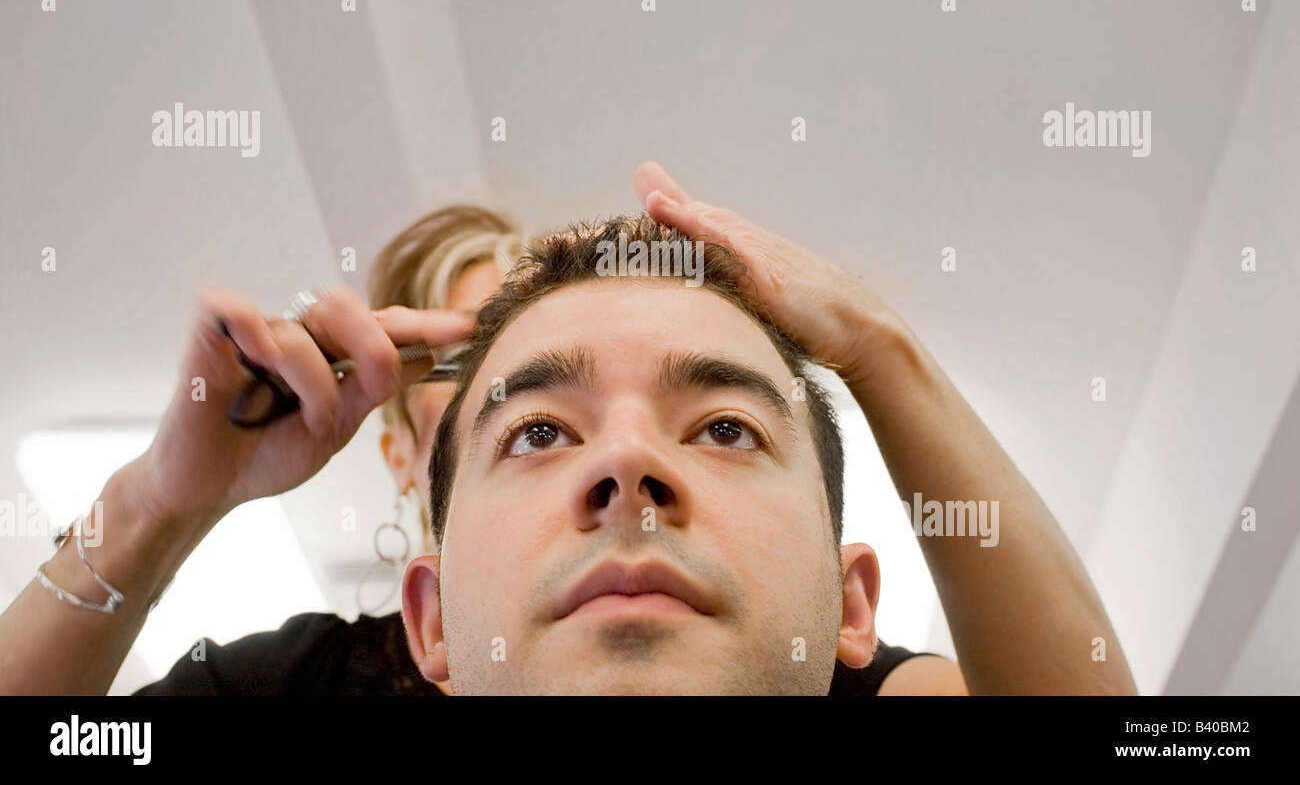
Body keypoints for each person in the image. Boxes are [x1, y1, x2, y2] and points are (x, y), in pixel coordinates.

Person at [0, 162, 1131, 693]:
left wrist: (884, 347)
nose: (626, 458)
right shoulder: (283, 692)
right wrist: (154, 504)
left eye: (726, 426)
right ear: (428, 618)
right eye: (536, 425)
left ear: (847, 603)